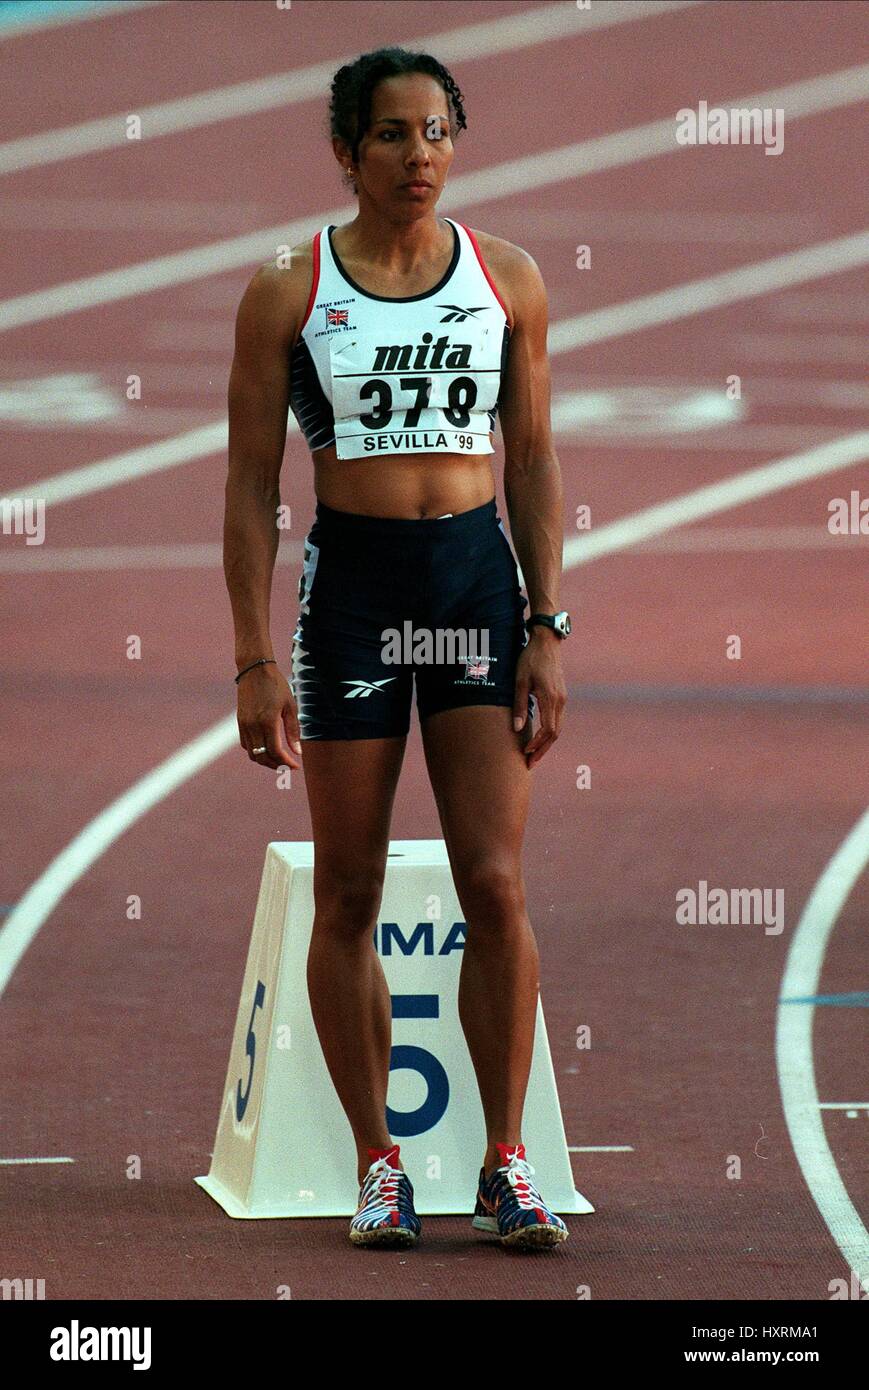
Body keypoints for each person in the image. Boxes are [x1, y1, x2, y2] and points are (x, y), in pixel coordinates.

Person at [223, 47, 572, 1251]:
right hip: (354, 600)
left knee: (493, 880)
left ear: (455, 143)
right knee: (349, 890)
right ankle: (378, 1162)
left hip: (473, 587)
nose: (415, 157)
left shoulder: (506, 278)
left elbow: (530, 463)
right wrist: (250, 654)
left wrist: (546, 625)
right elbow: (246, 483)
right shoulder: (288, 287)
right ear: (346, 149)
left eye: (434, 134)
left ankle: (505, 1161)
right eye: (389, 136)